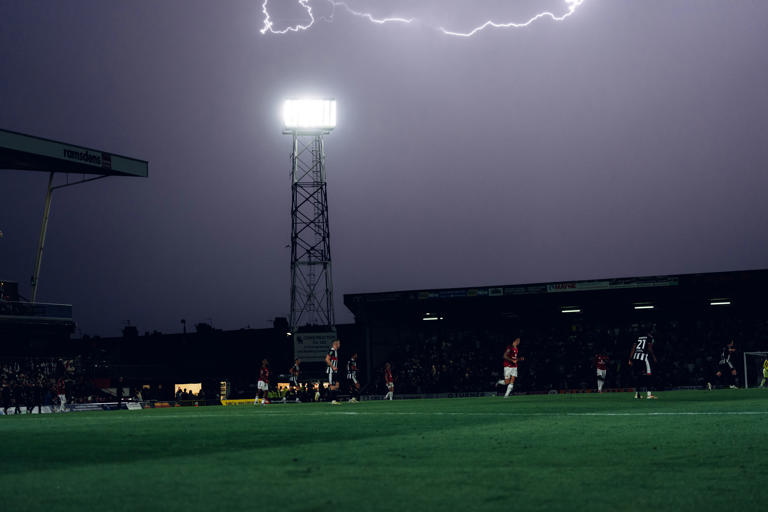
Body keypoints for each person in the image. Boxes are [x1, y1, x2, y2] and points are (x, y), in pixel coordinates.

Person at [628, 330, 658, 399]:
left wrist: (630, 359)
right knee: (649, 375)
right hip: (644, 358)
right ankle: (649, 394)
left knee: (638, 375)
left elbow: (633, 348)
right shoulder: (649, 338)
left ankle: (637, 394)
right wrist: (654, 357)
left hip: (636, 357)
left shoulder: (638, 337)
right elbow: (649, 348)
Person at [325, 340, 341, 405]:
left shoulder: (335, 351)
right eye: (339, 343)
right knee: (333, 386)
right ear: (336, 344)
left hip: (334, 371)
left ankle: (327, 393)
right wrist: (333, 367)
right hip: (331, 371)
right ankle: (333, 400)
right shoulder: (332, 351)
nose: (340, 345)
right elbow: (326, 359)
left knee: (337, 386)